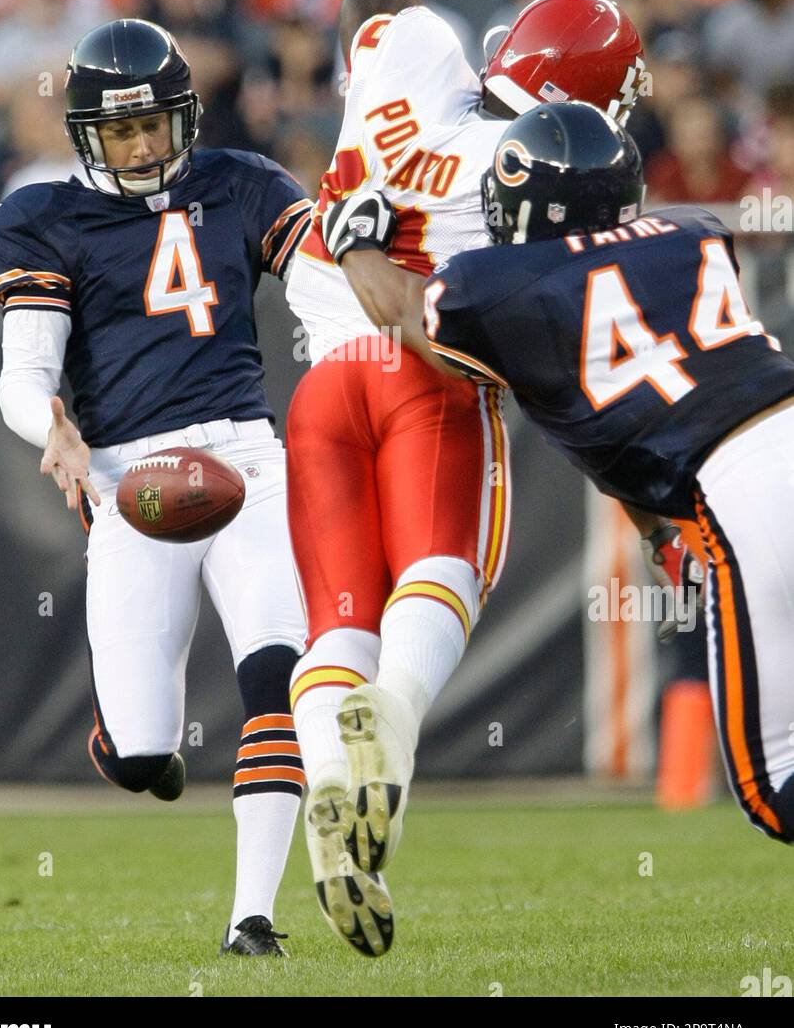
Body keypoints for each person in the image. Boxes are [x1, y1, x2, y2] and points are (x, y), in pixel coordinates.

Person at [283, 0, 692, 956]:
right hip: (430, 374)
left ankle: (331, 788)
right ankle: (390, 739)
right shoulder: (556, 181)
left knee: (334, 624)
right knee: (445, 581)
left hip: (320, 380)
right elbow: (562, 347)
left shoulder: (416, 64)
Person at [334, 99, 794, 852]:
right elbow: (623, 414)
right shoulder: (693, 234)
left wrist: (355, 239)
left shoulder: (500, 282)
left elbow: (405, 310)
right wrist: (655, 533)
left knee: (774, 789)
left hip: (742, 488)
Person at [0, 19, 312, 956]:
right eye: (121, 132)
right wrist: (55, 430)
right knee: (141, 755)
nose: (143, 145)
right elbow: (23, 373)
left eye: (155, 125)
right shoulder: (41, 219)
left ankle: (253, 921)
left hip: (247, 460)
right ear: (87, 135)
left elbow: (323, 286)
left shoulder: (243, 182)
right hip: (131, 484)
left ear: (186, 117)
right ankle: (133, 751)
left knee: (275, 675)